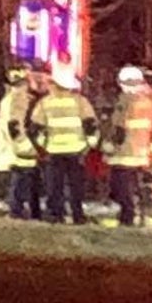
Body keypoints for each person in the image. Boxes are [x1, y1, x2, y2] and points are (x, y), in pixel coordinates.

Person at [104, 65, 152, 227]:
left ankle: (148, 220)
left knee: (145, 188)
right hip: (141, 154)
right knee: (141, 188)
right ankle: (146, 219)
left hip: (136, 154)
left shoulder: (151, 104)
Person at [27, 72, 99, 225]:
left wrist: (44, 145)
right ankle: (78, 216)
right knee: (76, 187)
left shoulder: (45, 102)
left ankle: (55, 216)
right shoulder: (80, 102)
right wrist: (89, 146)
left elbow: (34, 129)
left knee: (54, 186)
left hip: (54, 151)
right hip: (77, 150)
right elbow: (91, 125)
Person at [0, 62, 45, 220]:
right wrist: (27, 146)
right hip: (20, 149)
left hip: (14, 147)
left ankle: (29, 211)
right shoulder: (18, 98)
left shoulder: (10, 97)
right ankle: (18, 211)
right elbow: (15, 126)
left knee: (27, 179)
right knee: (23, 178)